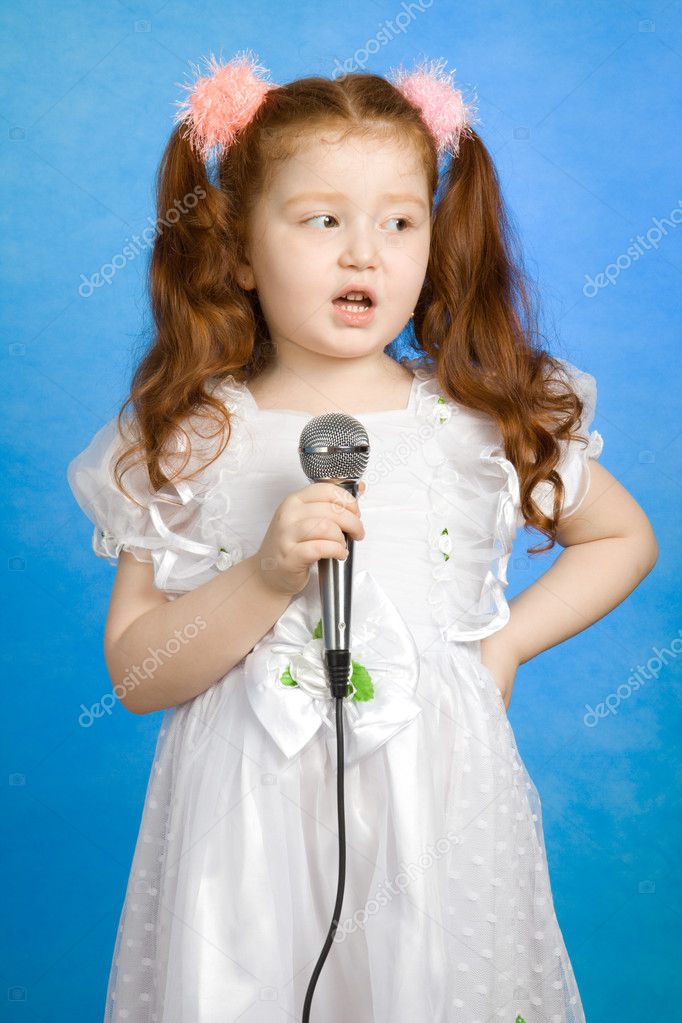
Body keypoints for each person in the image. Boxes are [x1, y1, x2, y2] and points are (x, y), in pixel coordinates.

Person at [67, 51, 657, 1023]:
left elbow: (620, 537)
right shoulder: (191, 436)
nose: (363, 253)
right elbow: (137, 673)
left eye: (398, 220)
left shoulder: (474, 421)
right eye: (321, 220)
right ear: (241, 248)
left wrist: (501, 642)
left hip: (437, 809)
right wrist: (262, 577)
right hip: (246, 819)